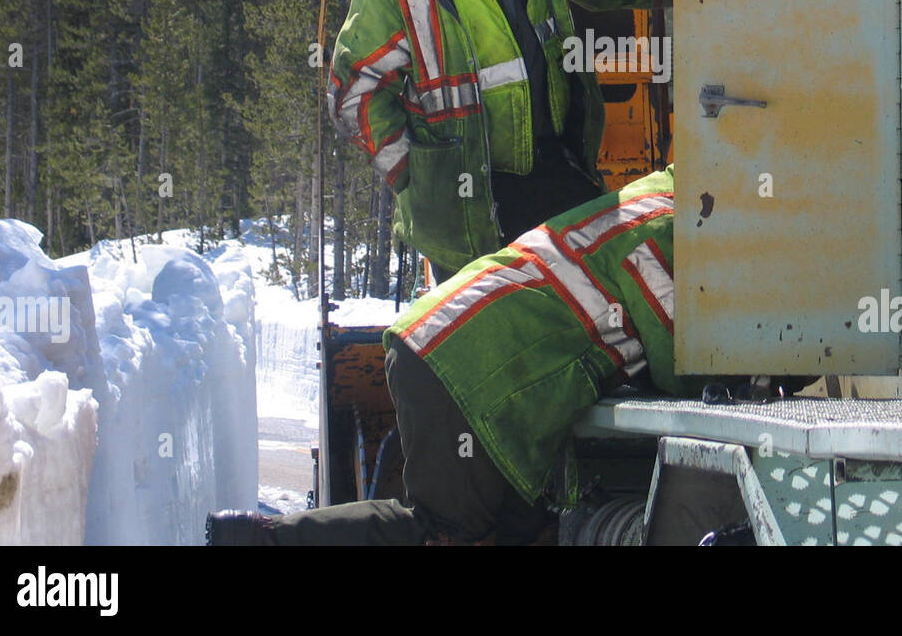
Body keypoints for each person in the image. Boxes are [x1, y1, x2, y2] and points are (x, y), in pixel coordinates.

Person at [209, 166, 685, 546]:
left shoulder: (654, 198)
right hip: (459, 368)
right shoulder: (664, 228)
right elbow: (677, 356)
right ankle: (261, 539)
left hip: (443, 349)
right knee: (445, 528)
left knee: (523, 523)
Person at [327, 0, 672, 284]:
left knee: (580, 311)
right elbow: (355, 89)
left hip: (553, 165)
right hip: (463, 208)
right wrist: (420, 178)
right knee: (486, 336)